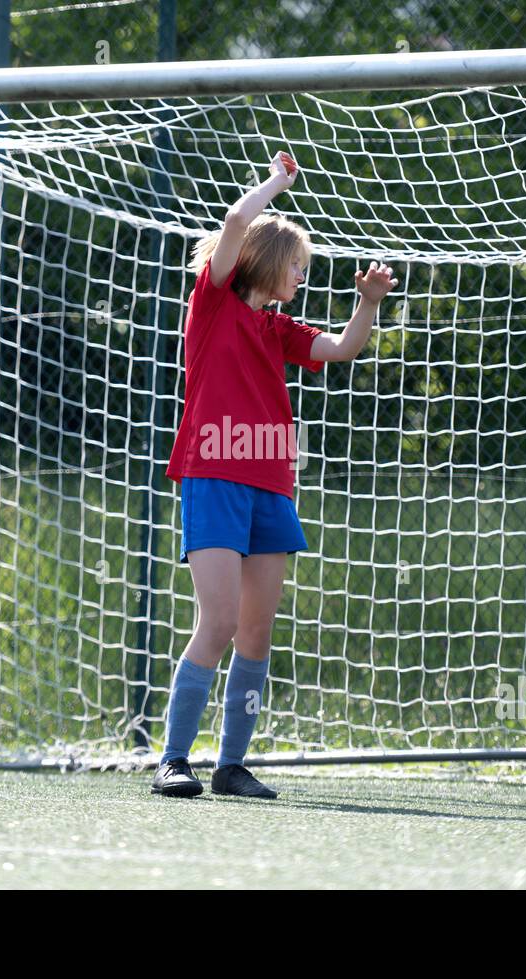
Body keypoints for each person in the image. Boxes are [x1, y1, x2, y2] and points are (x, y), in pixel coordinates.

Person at [152, 149, 400, 799]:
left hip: (271, 487)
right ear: (266, 259)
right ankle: (173, 758)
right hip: (212, 476)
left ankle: (231, 764)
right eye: (296, 264)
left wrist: (368, 303)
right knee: (220, 620)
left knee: (257, 630)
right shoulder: (213, 303)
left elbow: (342, 347)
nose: (300, 274)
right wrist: (279, 181)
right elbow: (235, 220)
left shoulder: (279, 328)